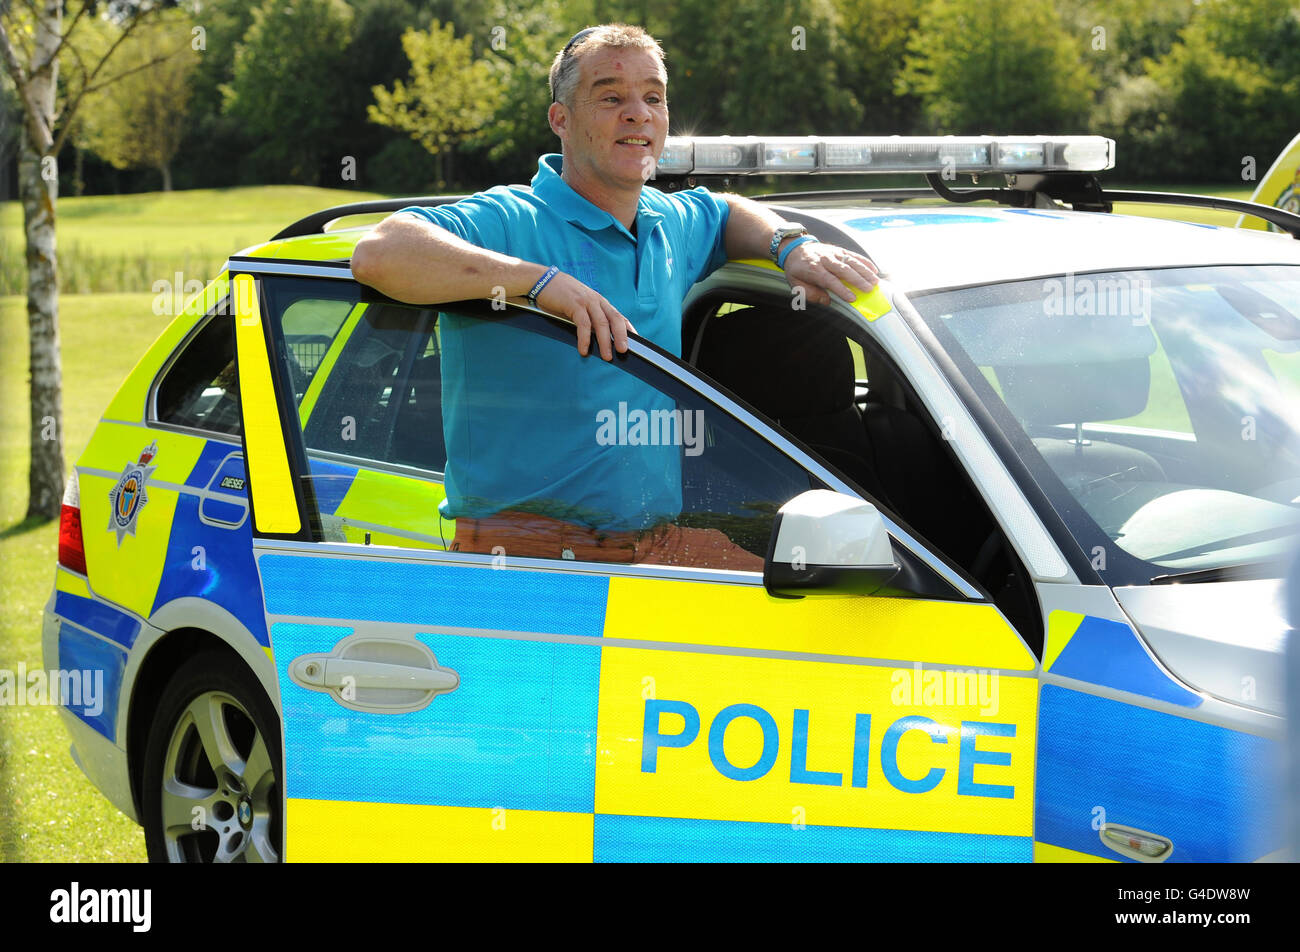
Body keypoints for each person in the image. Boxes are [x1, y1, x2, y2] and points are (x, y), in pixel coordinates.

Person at [351, 23, 878, 569]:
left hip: (655, 547)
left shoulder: (668, 221)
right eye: (610, 97)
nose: (638, 113)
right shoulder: (510, 219)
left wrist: (790, 246)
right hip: (527, 560)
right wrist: (539, 283)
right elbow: (380, 252)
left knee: (824, 607)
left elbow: (727, 211)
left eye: (653, 97)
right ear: (561, 119)